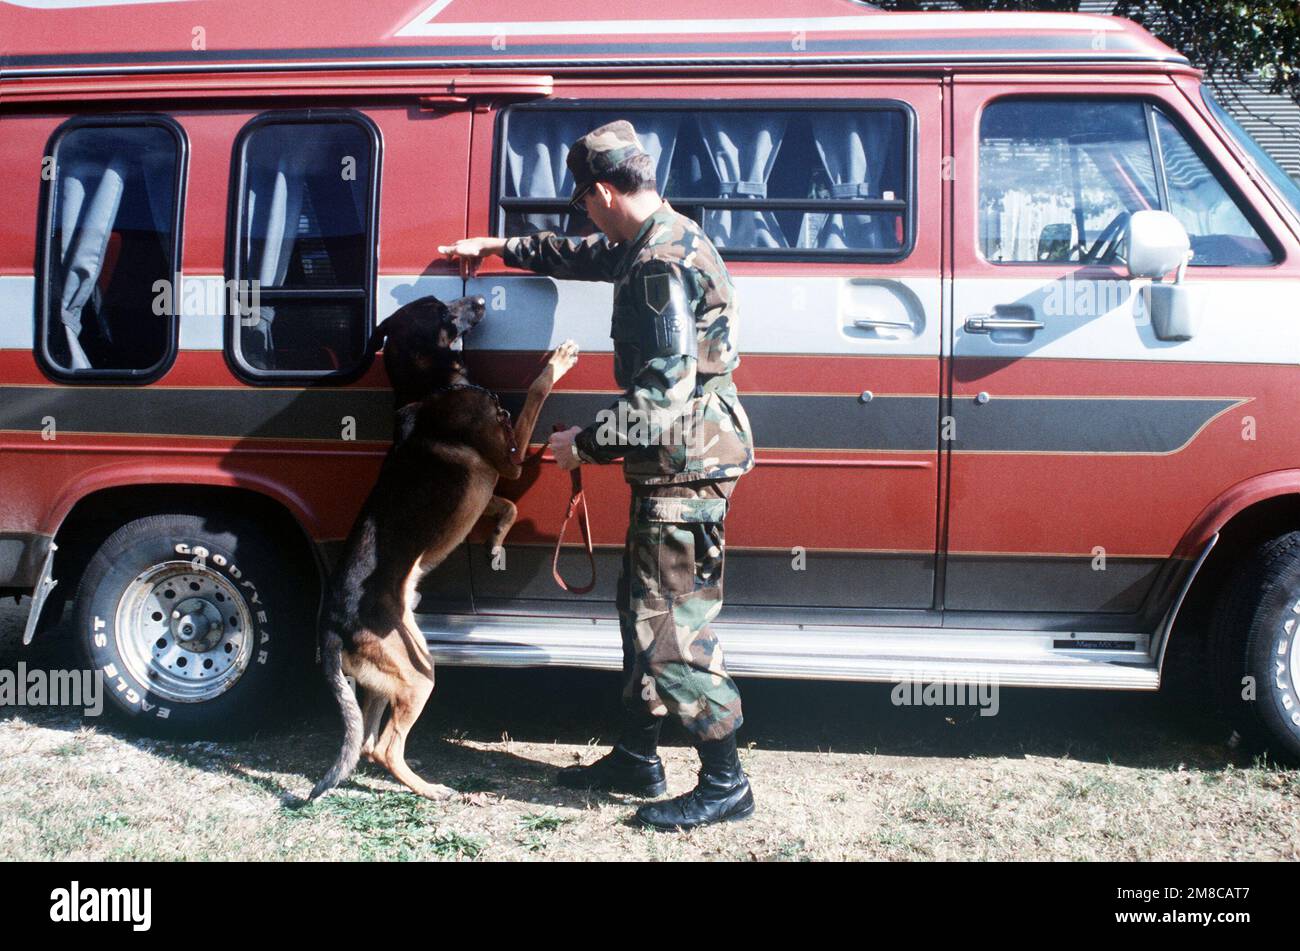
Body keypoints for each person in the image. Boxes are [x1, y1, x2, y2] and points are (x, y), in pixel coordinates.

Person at [439, 120, 755, 830]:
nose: (583, 212)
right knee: (639, 610)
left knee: (673, 625)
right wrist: (501, 247)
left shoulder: (657, 265)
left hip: (685, 462)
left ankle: (726, 782)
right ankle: (638, 756)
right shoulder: (666, 235)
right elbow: (585, 253)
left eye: (584, 199)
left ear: (606, 191)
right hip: (682, 460)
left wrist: (587, 442)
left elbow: (662, 397)